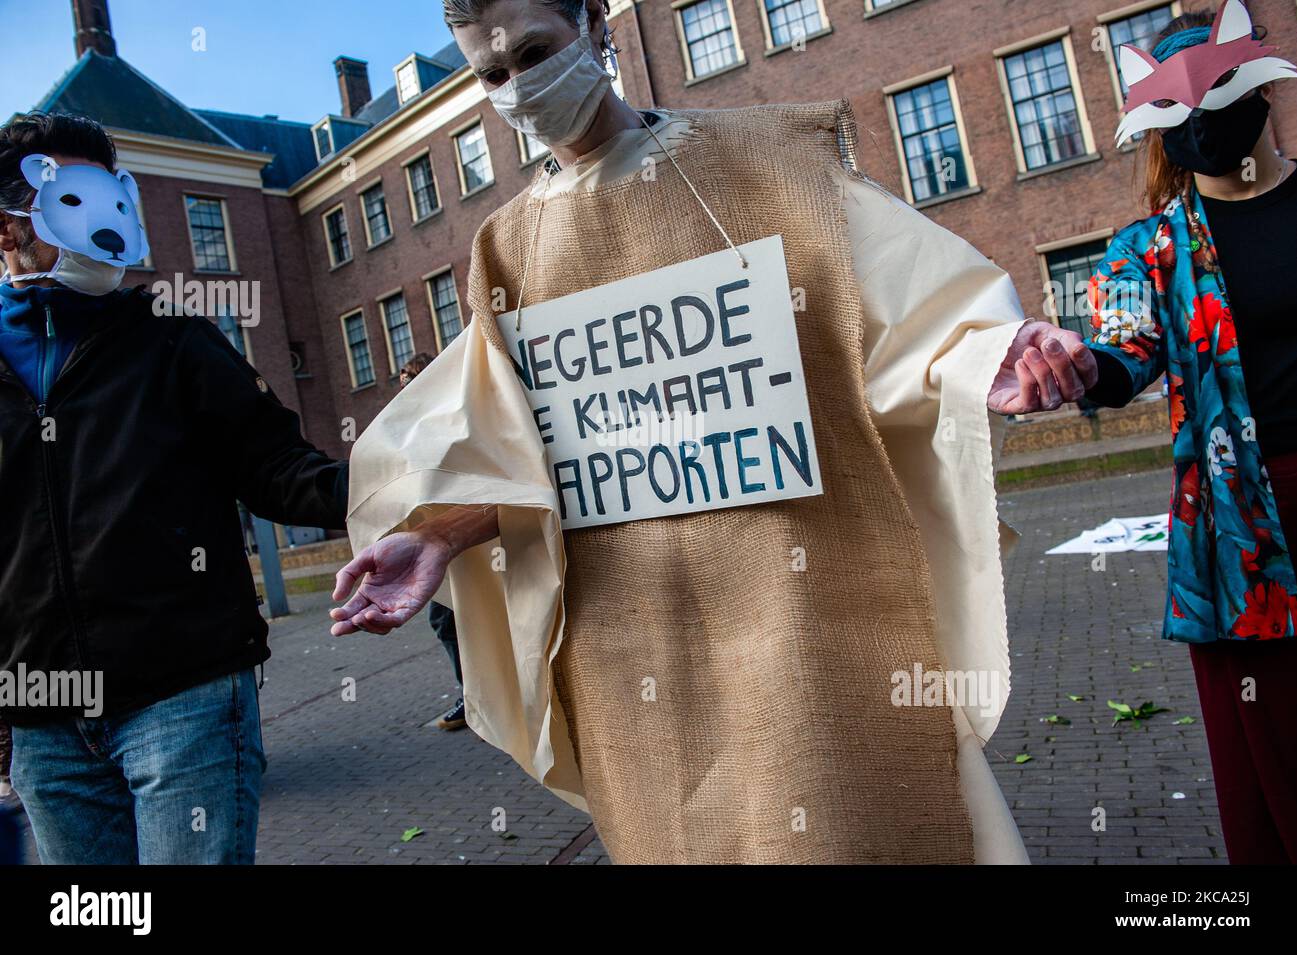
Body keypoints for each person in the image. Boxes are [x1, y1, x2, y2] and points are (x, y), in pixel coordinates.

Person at [332, 0, 1093, 864]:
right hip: (633, 647)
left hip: (804, 613)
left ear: (596, 26)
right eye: (492, 76)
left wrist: (994, 349)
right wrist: (437, 533)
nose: (519, 89)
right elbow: (528, 445)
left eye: (536, 52)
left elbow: (905, 308)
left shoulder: (769, 165)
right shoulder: (506, 248)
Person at [0, 112, 350, 864]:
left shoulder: (171, 337)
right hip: (43, 719)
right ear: (7, 229)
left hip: (181, 695)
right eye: (72, 201)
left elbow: (277, 468)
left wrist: (407, 481)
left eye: (112, 199)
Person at [1043, 0, 1297, 863]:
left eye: (1222, 92)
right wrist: (1078, 368)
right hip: (1245, 529)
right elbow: (1127, 352)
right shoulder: (1147, 252)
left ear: (1261, 86)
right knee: (1279, 755)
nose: (1206, 120)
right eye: (1180, 110)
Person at [398, 352, 467, 731]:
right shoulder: (408, 426)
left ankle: (482, 695)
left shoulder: (446, 418)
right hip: (435, 534)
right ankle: (472, 694)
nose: (405, 386)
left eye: (412, 379)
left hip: (466, 530)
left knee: (464, 615)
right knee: (445, 616)